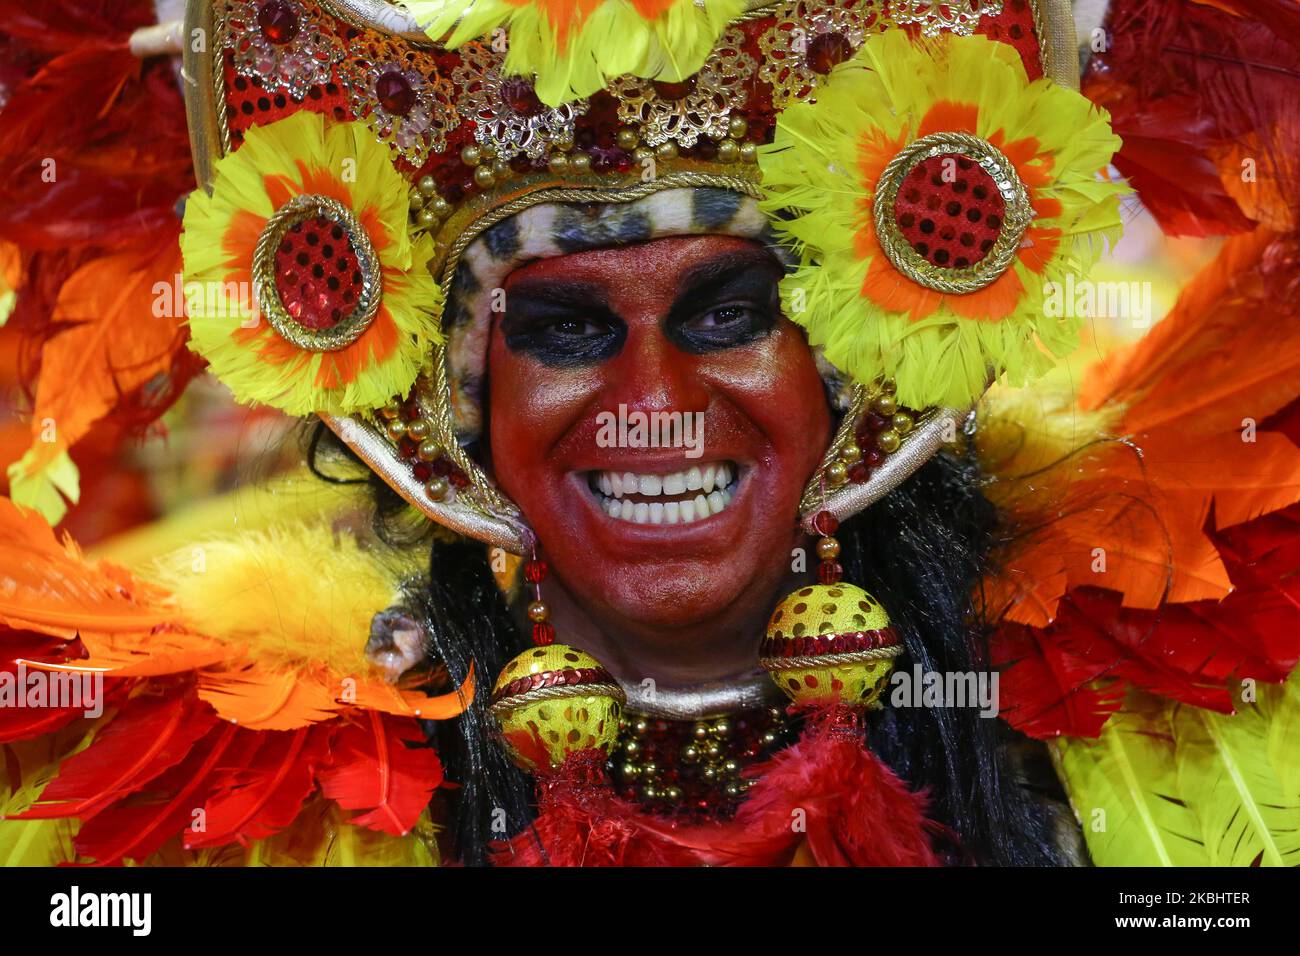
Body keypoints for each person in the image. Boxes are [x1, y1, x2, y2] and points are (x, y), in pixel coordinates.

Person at [0, 0, 1296, 868]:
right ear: (465, 427)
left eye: (730, 312)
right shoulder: (279, 828)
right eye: (565, 332)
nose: (654, 394)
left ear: (847, 384)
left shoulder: (1139, 719)